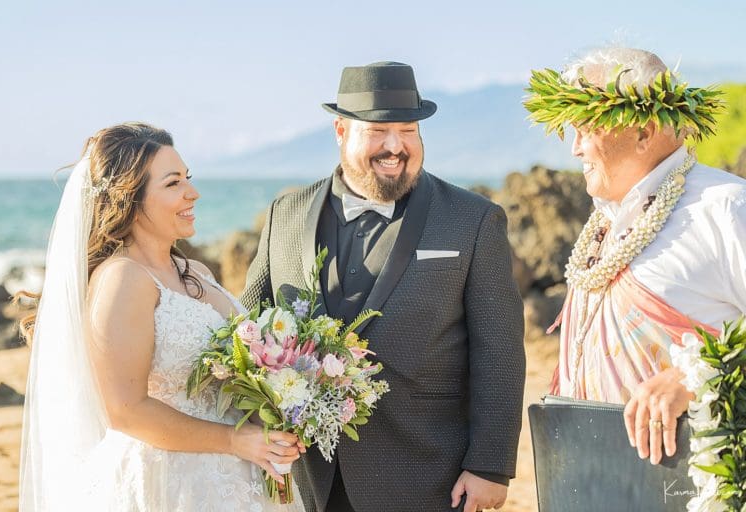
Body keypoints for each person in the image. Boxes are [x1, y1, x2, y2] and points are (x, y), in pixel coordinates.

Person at [241, 61, 526, 512]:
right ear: (340, 130)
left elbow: (499, 350)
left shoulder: (473, 220)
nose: (396, 146)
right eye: (378, 131)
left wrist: (490, 465)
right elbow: (250, 330)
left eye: (408, 130)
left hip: (429, 474)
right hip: (308, 477)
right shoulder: (285, 214)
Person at [18, 122, 305, 511]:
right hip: (170, 481)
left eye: (188, 178)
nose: (193, 193)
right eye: (173, 184)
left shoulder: (197, 272)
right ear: (130, 199)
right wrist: (236, 440)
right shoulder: (123, 280)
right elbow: (125, 410)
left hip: (239, 475)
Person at [525, 48, 746, 465]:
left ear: (643, 132)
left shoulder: (725, 208)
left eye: (584, 130)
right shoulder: (607, 220)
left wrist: (694, 377)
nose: (574, 149)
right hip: (591, 479)